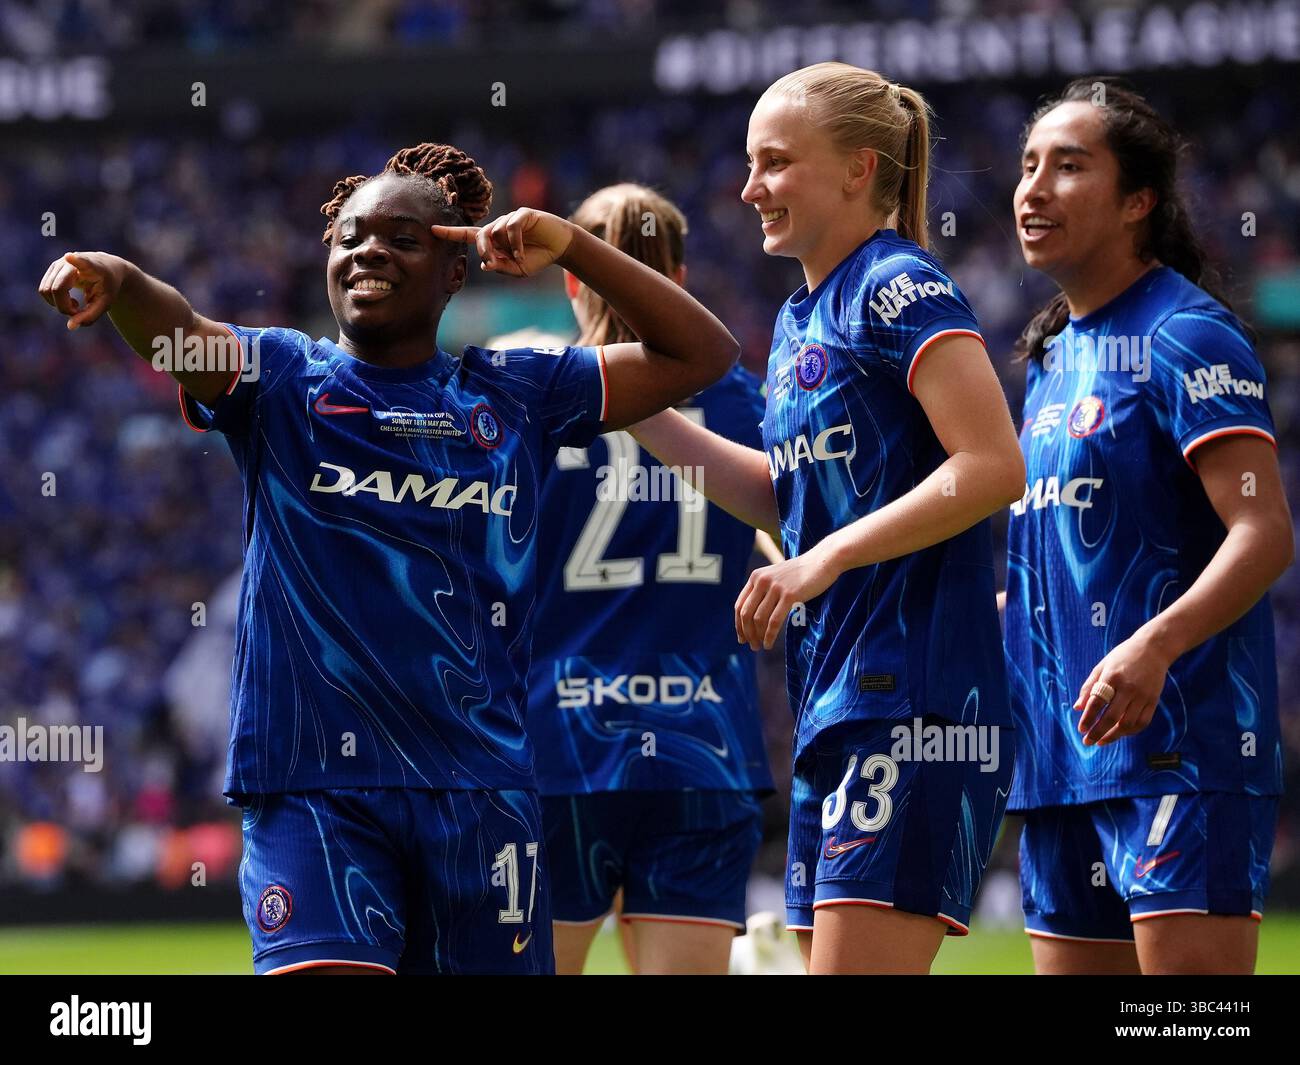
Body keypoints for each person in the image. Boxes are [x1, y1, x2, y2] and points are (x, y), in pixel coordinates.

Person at [38, 142, 739, 974]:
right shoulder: (282, 378)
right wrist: (121, 279)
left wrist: (576, 247)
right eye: (351, 237)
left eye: (404, 238)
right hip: (314, 791)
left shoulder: (516, 392)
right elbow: (181, 338)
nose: (369, 249)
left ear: (455, 270)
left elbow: (702, 356)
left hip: (482, 791)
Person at [625, 62, 1025, 974]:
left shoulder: (898, 286)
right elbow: (789, 498)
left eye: (775, 163)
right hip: (839, 702)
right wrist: (641, 409)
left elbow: (995, 464)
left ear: (858, 169)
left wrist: (822, 561)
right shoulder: (804, 316)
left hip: (917, 702)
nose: (748, 187)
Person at [1006, 78, 1293, 975]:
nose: (1033, 188)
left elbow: (1264, 530)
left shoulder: (1187, 335)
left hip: (1182, 748)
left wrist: (1154, 647)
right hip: (1060, 756)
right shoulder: (1051, 356)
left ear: (1138, 201)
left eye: (1069, 165)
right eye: (1027, 166)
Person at [521, 184, 776, 975]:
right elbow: (795, 533)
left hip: (555, 746)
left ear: (573, 280)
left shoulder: (530, 397)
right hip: (703, 745)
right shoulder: (749, 402)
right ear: (679, 280)